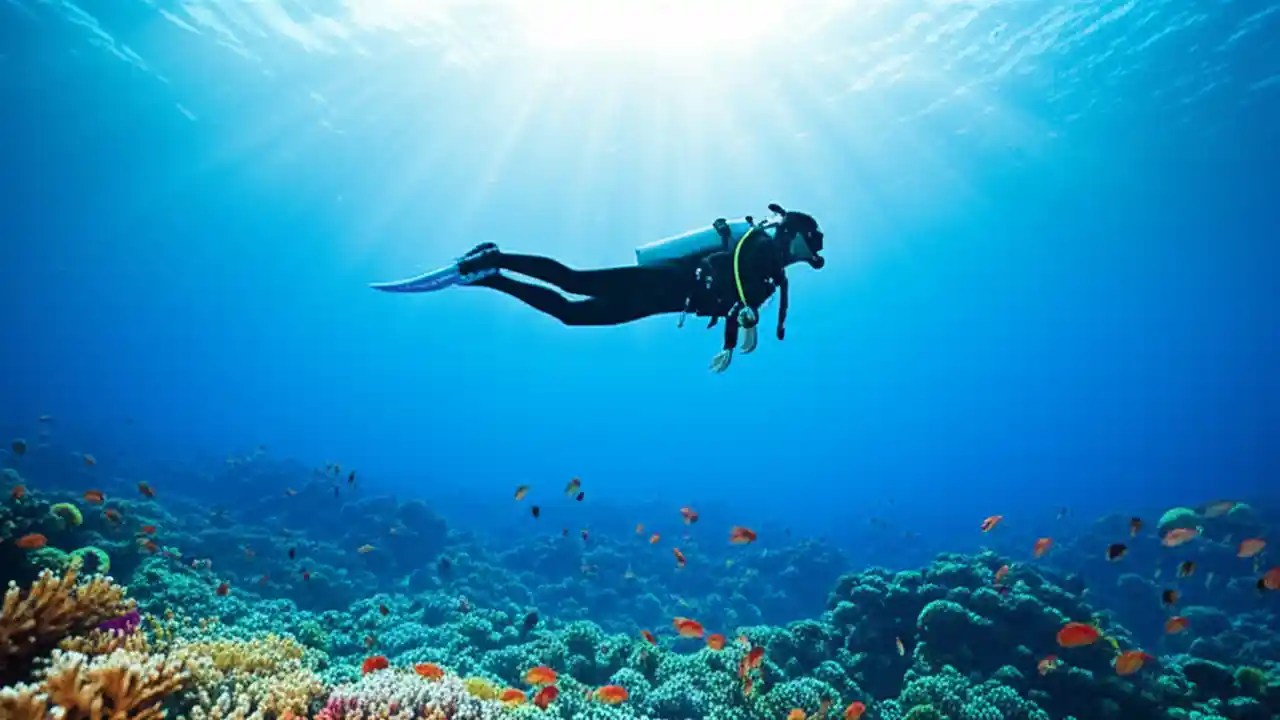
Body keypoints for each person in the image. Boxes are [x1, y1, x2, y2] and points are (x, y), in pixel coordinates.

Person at [371, 203, 825, 373]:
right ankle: (494, 257)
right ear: (798, 232)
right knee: (573, 280)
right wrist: (745, 318)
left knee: (570, 315)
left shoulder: (774, 271)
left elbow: (736, 305)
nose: (815, 251)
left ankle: (491, 277)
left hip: (662, 303)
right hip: (665, 283)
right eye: (814, 241)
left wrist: (730, 342)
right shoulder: (763, 247)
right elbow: (731, 276)